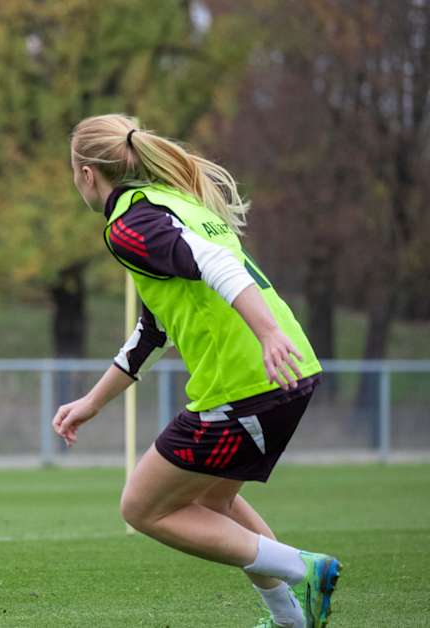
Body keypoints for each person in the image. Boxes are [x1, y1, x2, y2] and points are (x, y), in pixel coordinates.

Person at [55, 114, 340, 627]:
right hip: (283, 371)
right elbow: (153, 332)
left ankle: (303, 568)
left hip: (251, 382)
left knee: (141, 508)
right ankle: (290, 619)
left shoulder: (129, 224)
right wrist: (92, 403)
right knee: (214, 499)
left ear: (85, 173)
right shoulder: (172, 204)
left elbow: (218, 264)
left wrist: (267, 332)